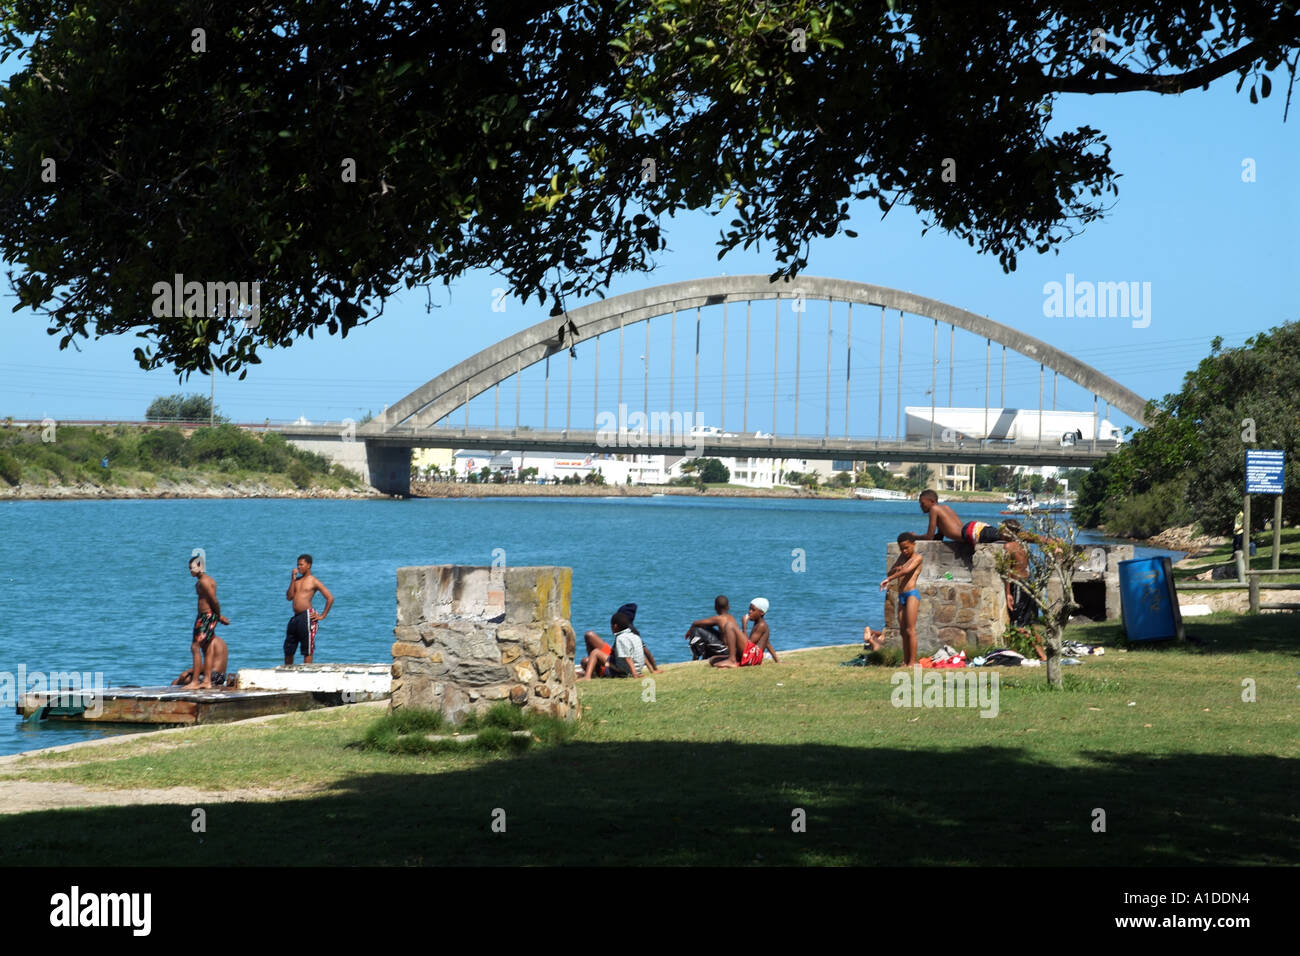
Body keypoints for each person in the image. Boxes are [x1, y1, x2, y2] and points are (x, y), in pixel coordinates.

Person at [188, 555, 230, 690]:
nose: (190, 571)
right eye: (189, 568)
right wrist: (218, 617)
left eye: (192, 568)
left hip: (205, 617)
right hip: (208, 616)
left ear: (200, 567)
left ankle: (195, 681)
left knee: (195, 647)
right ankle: (206, 680)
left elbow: (214, 600)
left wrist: (218, 616)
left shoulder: (205, 582)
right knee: (207, 648)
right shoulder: (204, 580)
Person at [881, 532, 923, 666]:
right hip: (901, 596)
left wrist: (890, 578)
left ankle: (912, 662)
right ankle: (905, 661)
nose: (904, 551)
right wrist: (895, 570)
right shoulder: (902, 557)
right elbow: (891, 571)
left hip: (911, 595)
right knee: (903, 631)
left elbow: (906, 571)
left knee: (910, 630)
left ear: (913, 544)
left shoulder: (917, 558)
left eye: (906, 548)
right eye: (902, 549)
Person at [916, 489, 1006, 551]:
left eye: (922, 503)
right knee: (1004, 535)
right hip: (973, 528)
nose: (921, 506)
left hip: (972, 533)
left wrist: (914, 537)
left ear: (932, 501)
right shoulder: (945, 508)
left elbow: (929, 537)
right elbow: (939, 536)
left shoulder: (934, 509)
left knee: (1004, 537)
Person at [285, 554, 333, 665]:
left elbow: (330, 598)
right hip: (295, 618)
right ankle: (287, 672)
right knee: (288, 649)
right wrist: (292, 579)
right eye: (297, 565)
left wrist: (322, 615)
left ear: (309, 565)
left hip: (307, 616)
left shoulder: (313, 581)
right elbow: (289, 597)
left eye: (301, 564)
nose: (298, 567)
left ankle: (307, 672)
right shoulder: (296, 581)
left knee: (307, 650)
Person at [711, 598, 779, 668]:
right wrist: (777, 661)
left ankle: (732, 660)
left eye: (753, 610)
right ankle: (734, 661)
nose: (750, 612)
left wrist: (744, 626)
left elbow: (748, 644)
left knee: (730, 625)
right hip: (751, 657)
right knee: (713, 660)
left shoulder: (762, 625)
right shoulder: (758, 623)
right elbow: (767, 643)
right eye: (749, 609)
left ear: (761, 612)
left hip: (753, 658)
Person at [685, 595, 744, 660]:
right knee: (706, 629)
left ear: (715, 607)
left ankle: (695, 657)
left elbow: (695, 623)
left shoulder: (718, 619)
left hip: (726, 650)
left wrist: (689, 631)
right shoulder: (731, 618)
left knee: (695, 629)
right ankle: (705, 656)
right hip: (734, 650)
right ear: (728, 607)